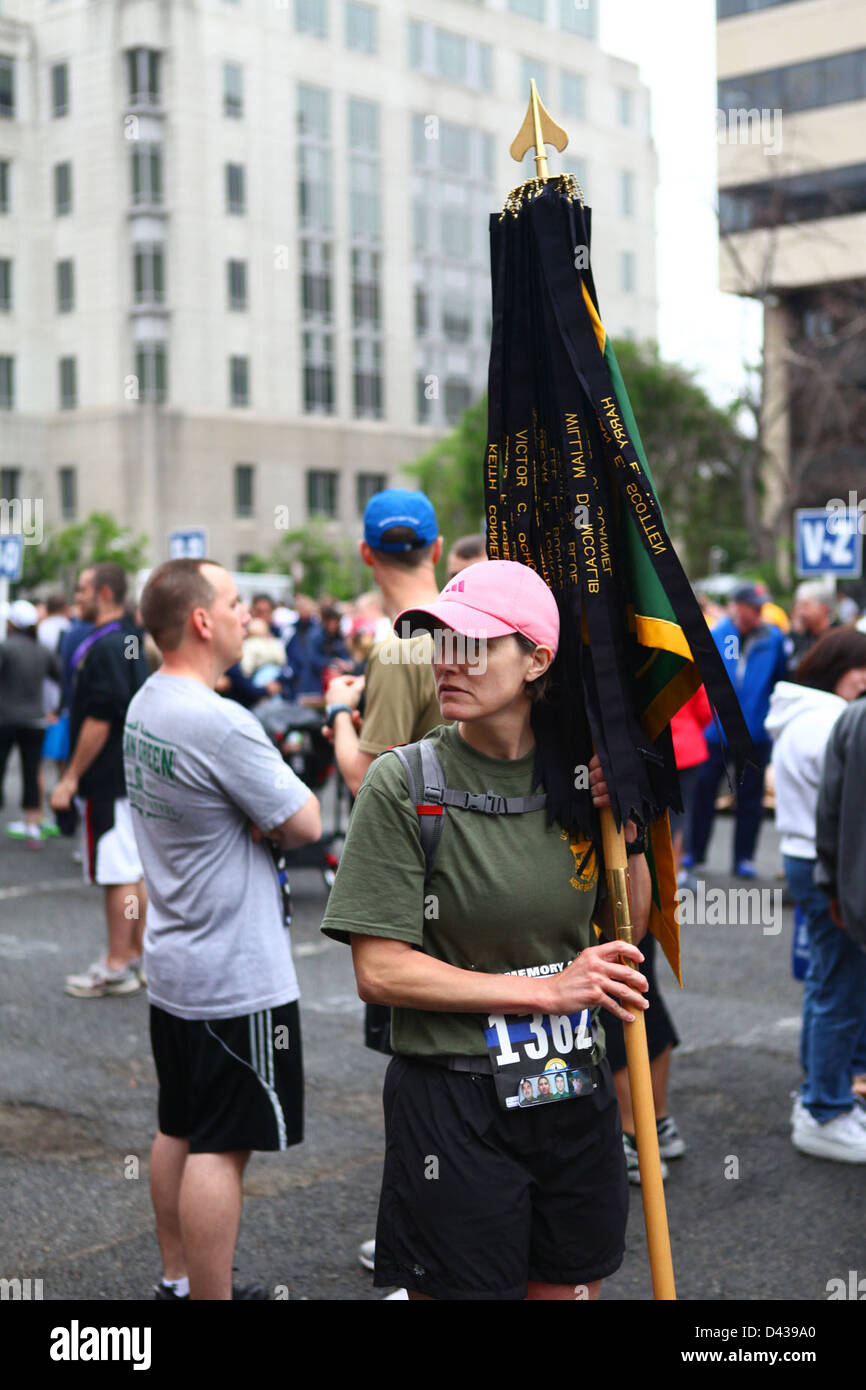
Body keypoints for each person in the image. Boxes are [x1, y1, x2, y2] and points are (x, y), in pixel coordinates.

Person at [321, 559, 652, 1301]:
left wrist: (625, 825)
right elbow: (381, 972)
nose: (448, 662)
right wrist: (545, 992)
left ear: (537, 660)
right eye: (440, 642)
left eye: (474, 644)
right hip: (453, 1101)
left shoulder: (581, 779)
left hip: (572, 1090)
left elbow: (626, 925)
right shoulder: (402, 783)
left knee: (567, 1293)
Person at [127, 559, 321, 1300]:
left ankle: (177, 1282)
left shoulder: (149, 701)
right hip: (232, 975)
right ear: (203, 621)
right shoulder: (219, 719)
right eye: (238, 604)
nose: (251, 616)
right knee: (222, 1146)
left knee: (179, 1125)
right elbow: (303, 822)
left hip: (177, 960)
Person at [770, 627, 866, 1162]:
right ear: (842, 667)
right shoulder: (830, 719)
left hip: (807, 857)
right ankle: (826, 1107)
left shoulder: (803, 713)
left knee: (828, 983)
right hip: (830, 864)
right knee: (841, 989)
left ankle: (818, 1096)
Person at [50, 564, 150, 996]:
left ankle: (117, 963)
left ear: (105, 592)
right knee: (134, 870)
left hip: (107, 778)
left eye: (83, 589)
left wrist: (70, 777)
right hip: (129, 774)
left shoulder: (111, 644)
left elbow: (102, 715)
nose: (77, 596)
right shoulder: (129, 637)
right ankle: (136, 958)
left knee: (118, 872)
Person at [687, 584, 787, 878]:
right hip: (715, 734)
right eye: (753, 606)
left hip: (754, 735)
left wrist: (769, 721)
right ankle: (694, 852)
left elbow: (780, 682)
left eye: (760, 607)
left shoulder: (774, 639)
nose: (758, 612)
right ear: (737, 606)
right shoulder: (716, 635)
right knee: (703, 794)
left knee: (751, 800)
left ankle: (743, 858)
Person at [0, 600, 62, 847]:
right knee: (31, 771)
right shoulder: (42, 650)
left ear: (12, 624)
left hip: (5, 719)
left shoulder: (6, 648)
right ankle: (33, 824)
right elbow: (60, 679)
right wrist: (55, 709)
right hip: (36, 720)